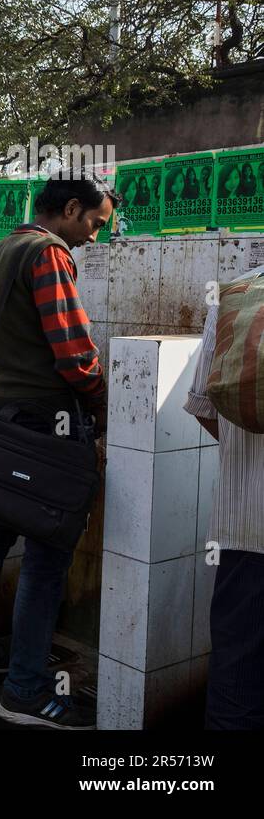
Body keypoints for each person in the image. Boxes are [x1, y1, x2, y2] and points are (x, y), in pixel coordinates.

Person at [0, 170, 118, 730]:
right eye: (93, 223)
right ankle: (24, 691)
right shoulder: (49, 255)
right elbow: (72, 349)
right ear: (69, 210)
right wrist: (103, 400)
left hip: (7, 411)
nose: (94, 236)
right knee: (46, 557)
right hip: (51, 420)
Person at [184, 269, 264, 729]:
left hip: (243, 528)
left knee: (237, 683)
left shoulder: (235, 292)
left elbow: (202, 404)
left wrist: (243, 456)